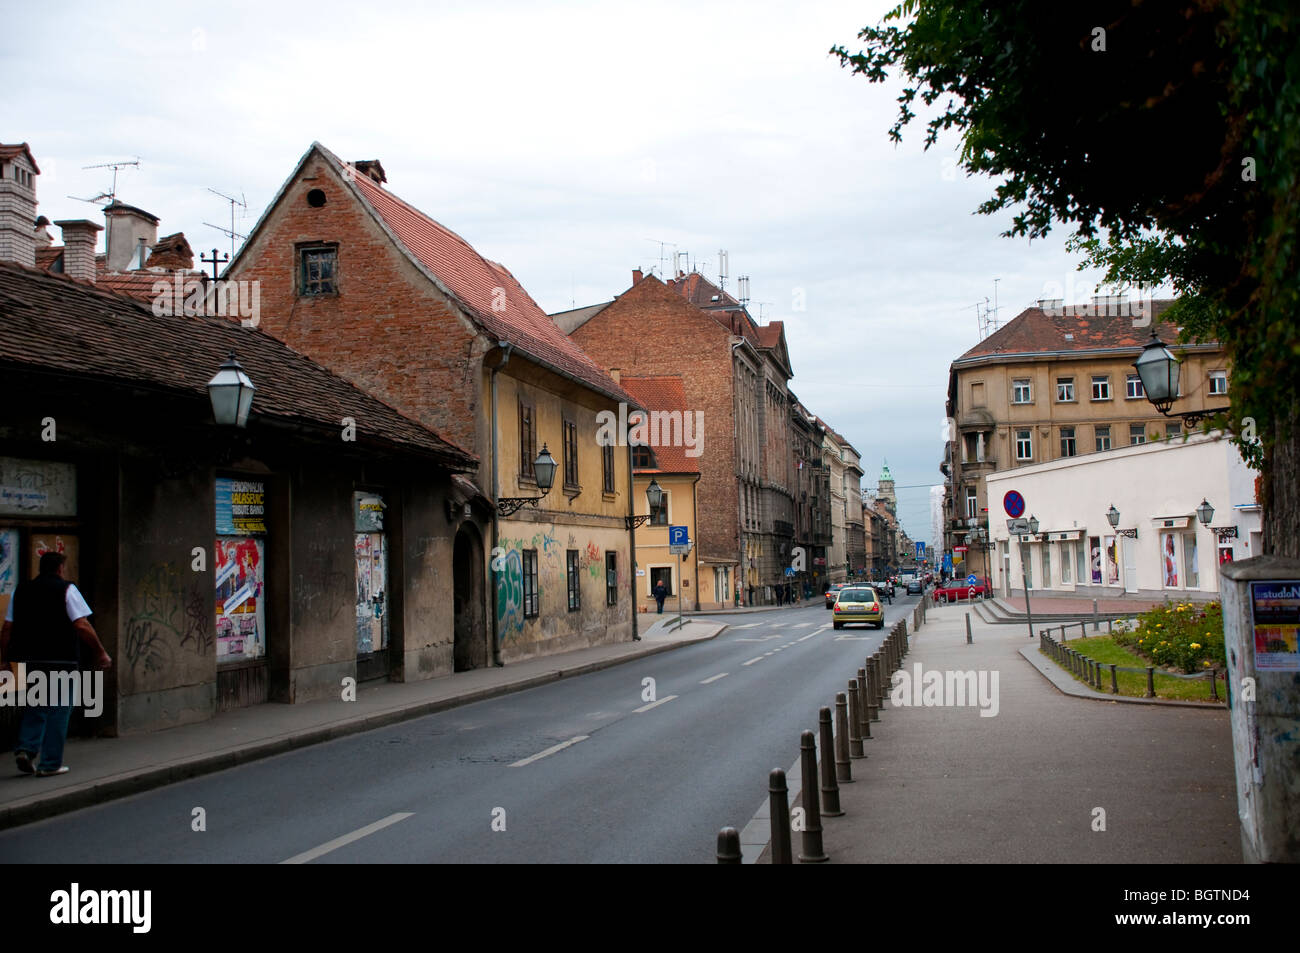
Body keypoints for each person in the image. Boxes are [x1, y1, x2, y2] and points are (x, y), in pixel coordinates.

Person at [0, 552, 111, 777]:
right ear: (60, 568)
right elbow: (82, 625)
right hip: (62, 659)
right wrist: (100, 651)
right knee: (60, 708)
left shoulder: (21, 591)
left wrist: (3, 659)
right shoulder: (67, 589)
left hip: (31, 659)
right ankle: (50, 763)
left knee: (37, 703)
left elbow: (7, 628)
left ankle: (26, 748)